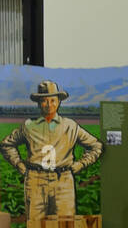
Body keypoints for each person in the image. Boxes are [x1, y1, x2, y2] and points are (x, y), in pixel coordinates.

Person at [0, 80, 103, 218]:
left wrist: (81, 163)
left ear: (59, 101)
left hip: (63, 181)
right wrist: (19, 164)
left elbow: (96, 146)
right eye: (44, 101)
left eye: (53, 100)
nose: (49, 105)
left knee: (65, 227)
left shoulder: (70, 126)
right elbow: (7, 144)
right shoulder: (29, 126)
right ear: (38, 103)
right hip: (35, 181)